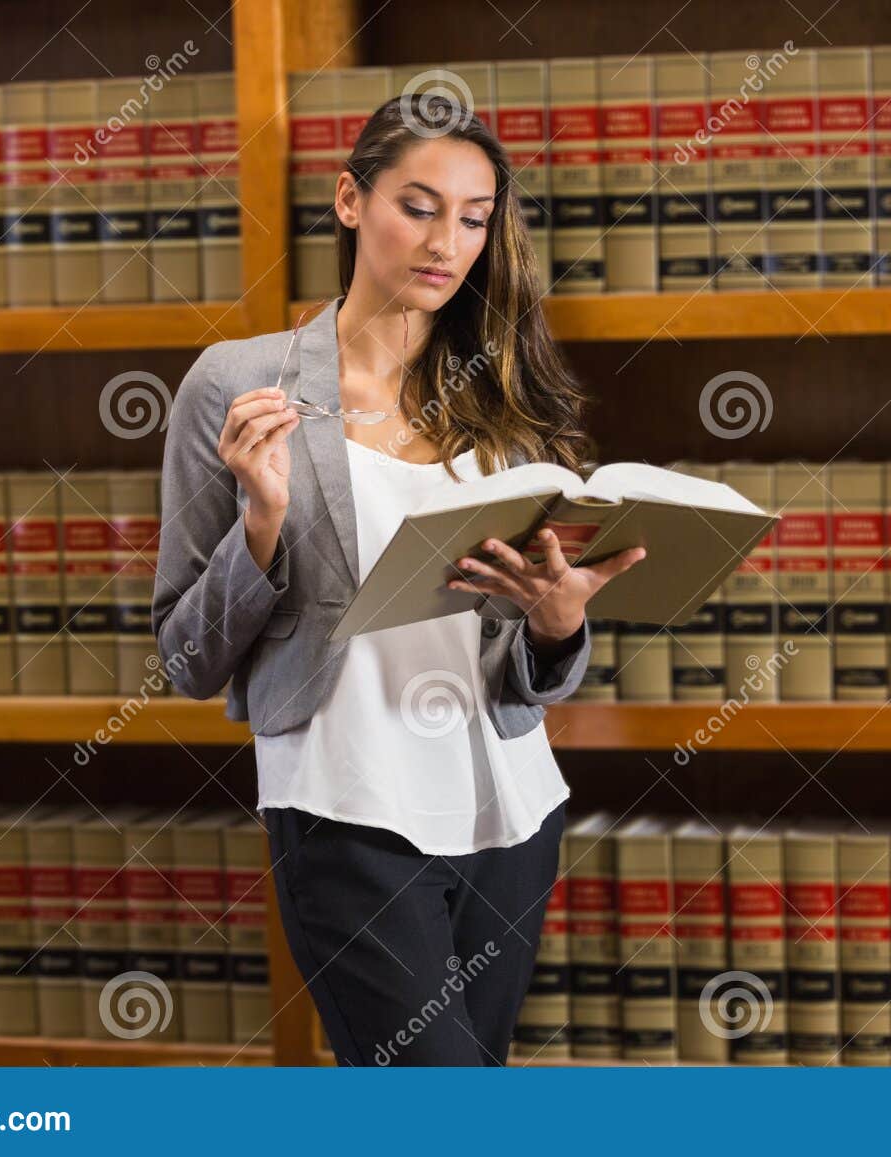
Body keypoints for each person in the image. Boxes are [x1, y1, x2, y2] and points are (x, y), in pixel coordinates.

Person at [151, 94, 643, 1065]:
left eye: (473, 217)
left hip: (510, 808)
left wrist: (556, 625)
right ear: (349, 200)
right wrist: (260, 525)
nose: (445, 241)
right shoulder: (238, 384)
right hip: (345, 809)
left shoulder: (504, 396)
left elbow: (525, 657)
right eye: (418, 207)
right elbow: (185, 656)